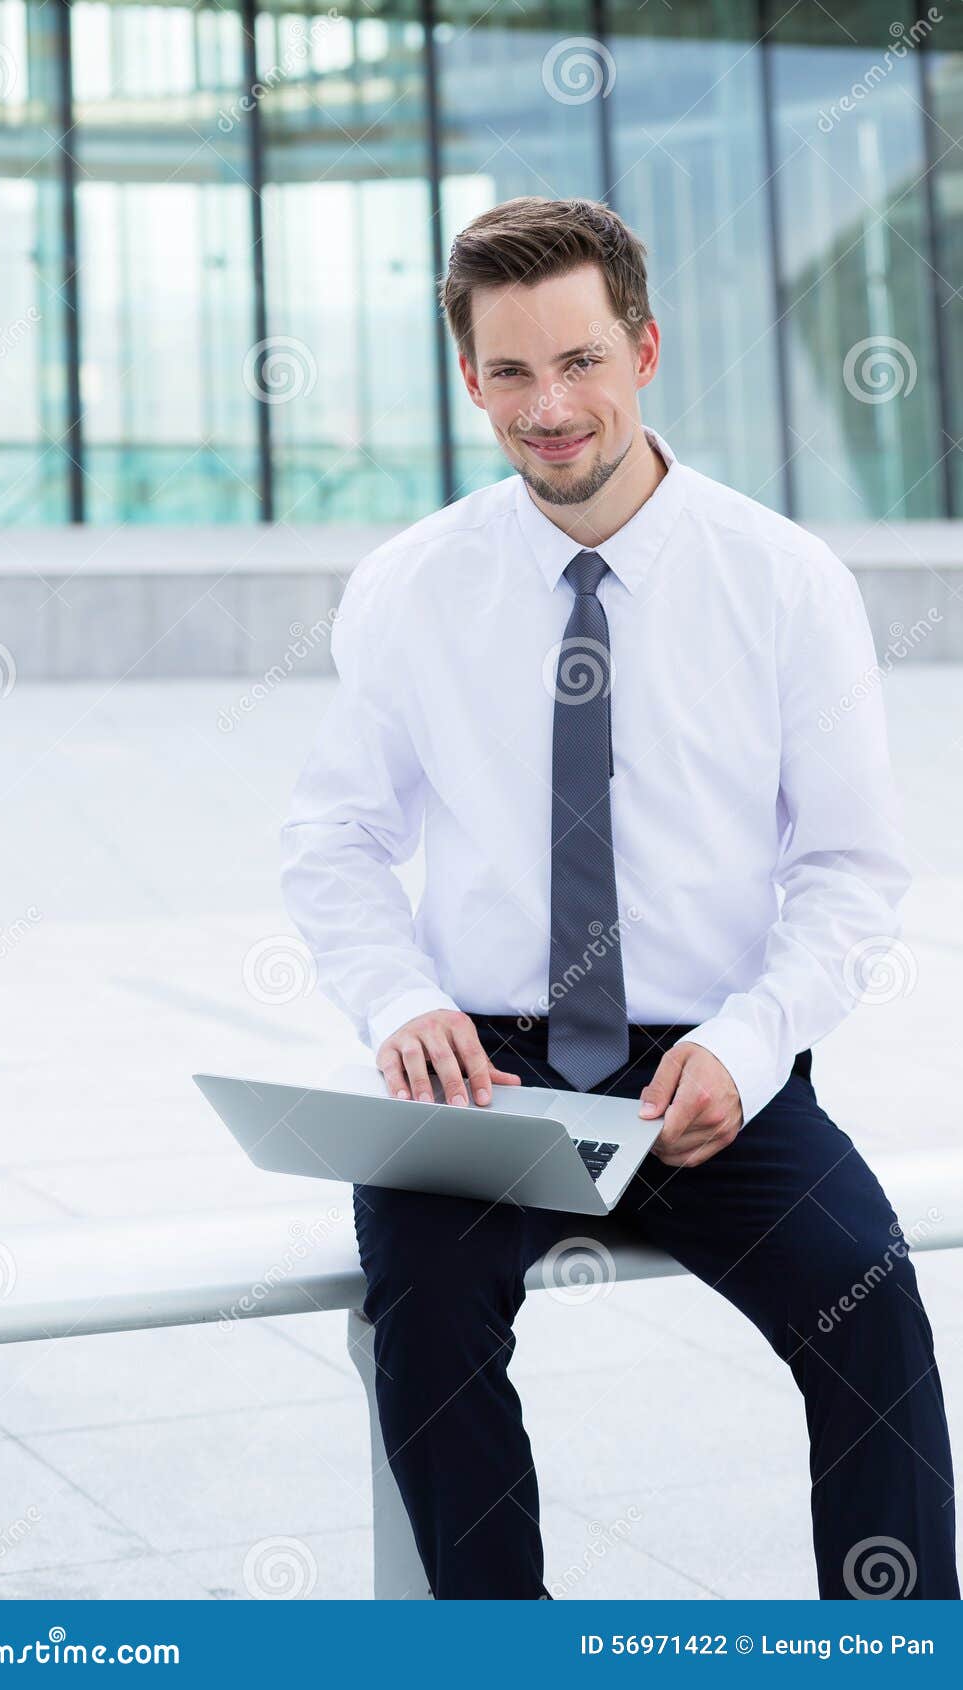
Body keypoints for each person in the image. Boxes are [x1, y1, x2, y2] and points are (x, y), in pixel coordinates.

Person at [279, 196, 958, 1600]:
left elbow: (846, 871)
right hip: (490, 1069)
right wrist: (401, 1000)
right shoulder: (411, 588)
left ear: (644, 350)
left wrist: (752, 1044)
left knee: (874, 1318)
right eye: (512, 372)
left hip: (711, 1060)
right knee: (427, 1312)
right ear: (470, 379)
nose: (550, 407)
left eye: (581, 361)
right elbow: (333, 837)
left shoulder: (784, 583)